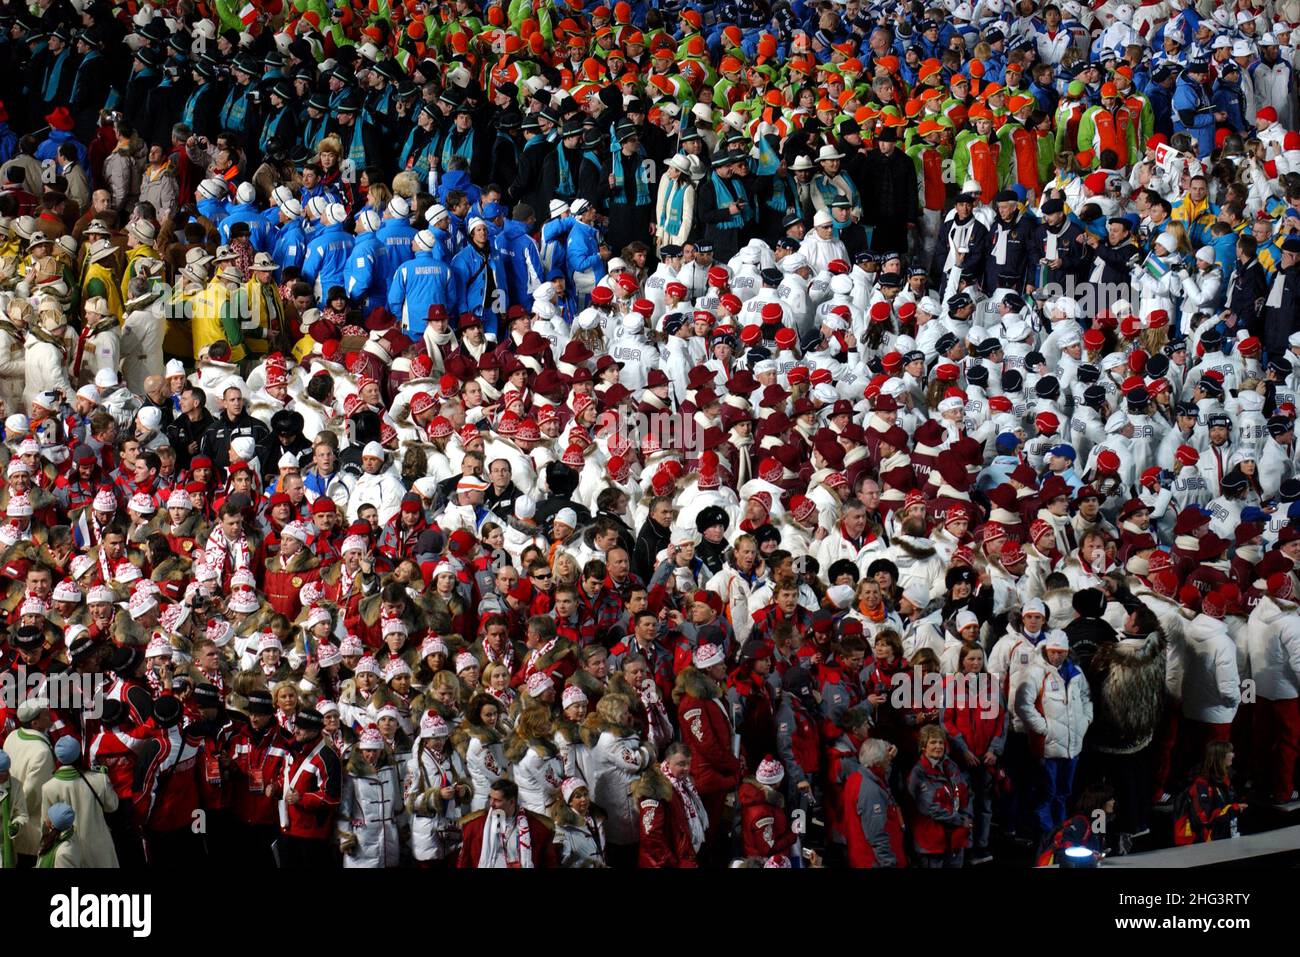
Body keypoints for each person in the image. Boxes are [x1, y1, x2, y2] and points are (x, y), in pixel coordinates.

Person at [457, 777, 557, 868]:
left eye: (497, 800)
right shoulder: (474, 827)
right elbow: (463, 861)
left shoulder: (536, 828)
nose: (491, 804)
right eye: (490, 798)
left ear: (512, 802)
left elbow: (549, 863)